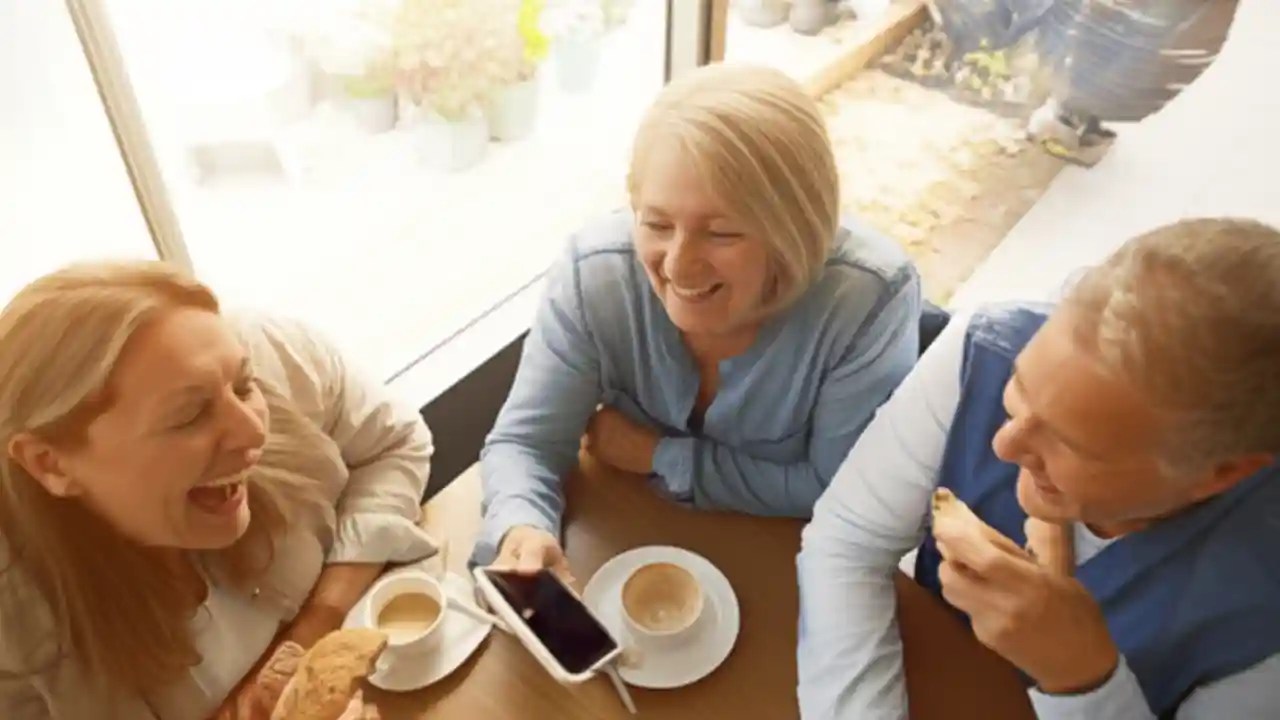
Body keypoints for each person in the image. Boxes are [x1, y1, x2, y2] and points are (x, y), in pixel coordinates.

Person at [796, 218, 1280, 719]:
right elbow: (848, 541)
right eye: (1020, 389)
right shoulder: (983, 351)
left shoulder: (1262, 625)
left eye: (1073, 443)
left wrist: (1082, 677)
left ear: (1219, 474)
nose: (1005, 445)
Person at [472, 62, 923, 573]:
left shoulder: (868, 301)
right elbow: (525, 442)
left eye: (723, 232)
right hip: (629, 548)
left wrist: (658, 456)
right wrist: (522, 525)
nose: (679, 264)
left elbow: (840, 490)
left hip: (784, 567)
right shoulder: (594, 276)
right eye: (657, 223)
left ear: (796, 229)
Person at [0, 261, 438, 719]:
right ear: (49, 463)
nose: (253, 434)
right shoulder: (15, 637)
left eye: (244, 387)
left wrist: (320, 622)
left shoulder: (264, 351)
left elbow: (396, 443)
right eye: (189, 416)